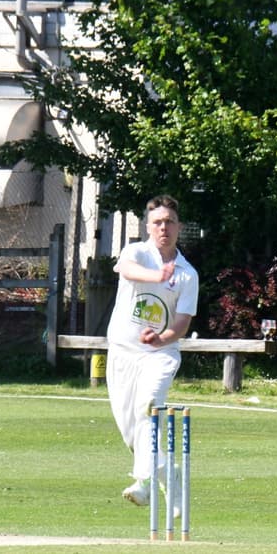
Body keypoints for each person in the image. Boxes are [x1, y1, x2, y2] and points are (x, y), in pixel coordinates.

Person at [106, 195, 199, 512]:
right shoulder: (137, 252)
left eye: (170, 222)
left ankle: (143, 484)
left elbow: (183, 322)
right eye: (158, 222)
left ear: (179, 227)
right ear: (148, 226)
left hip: (160, 355)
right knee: (132, 432)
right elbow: (128, 270)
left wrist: (162, 338)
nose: (164, 227)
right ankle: (169, 478)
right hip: (122, 352)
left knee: (148, 410)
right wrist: (157, 276)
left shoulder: (187, 274)